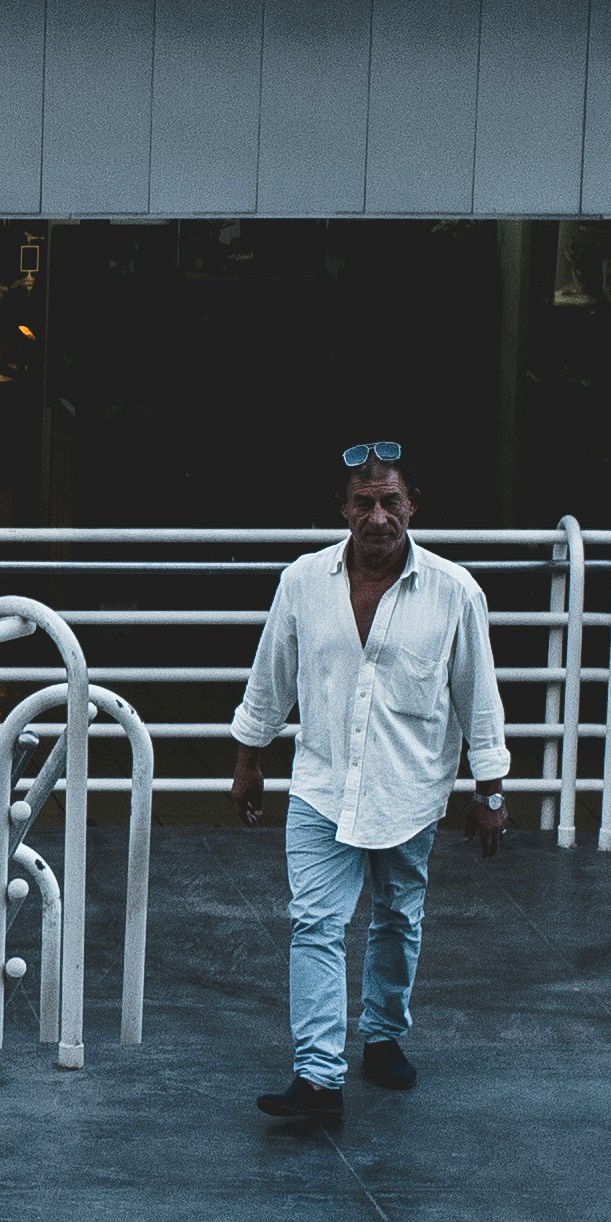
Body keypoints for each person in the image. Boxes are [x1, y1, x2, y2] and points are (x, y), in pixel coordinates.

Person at [223, 441, 510, 1137]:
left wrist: (490, 792)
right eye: (363, 503)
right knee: (316, 923)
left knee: (396, 918)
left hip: (408, 789)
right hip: (321, 785)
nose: (377, 517)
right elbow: (272, 674)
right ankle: (319, 1078)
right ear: (342, 510)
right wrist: (248, 758)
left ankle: (382, 1035)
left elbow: (478, 694)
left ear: (413, 508)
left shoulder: (453, 592)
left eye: (390, 502)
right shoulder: (303, 581)